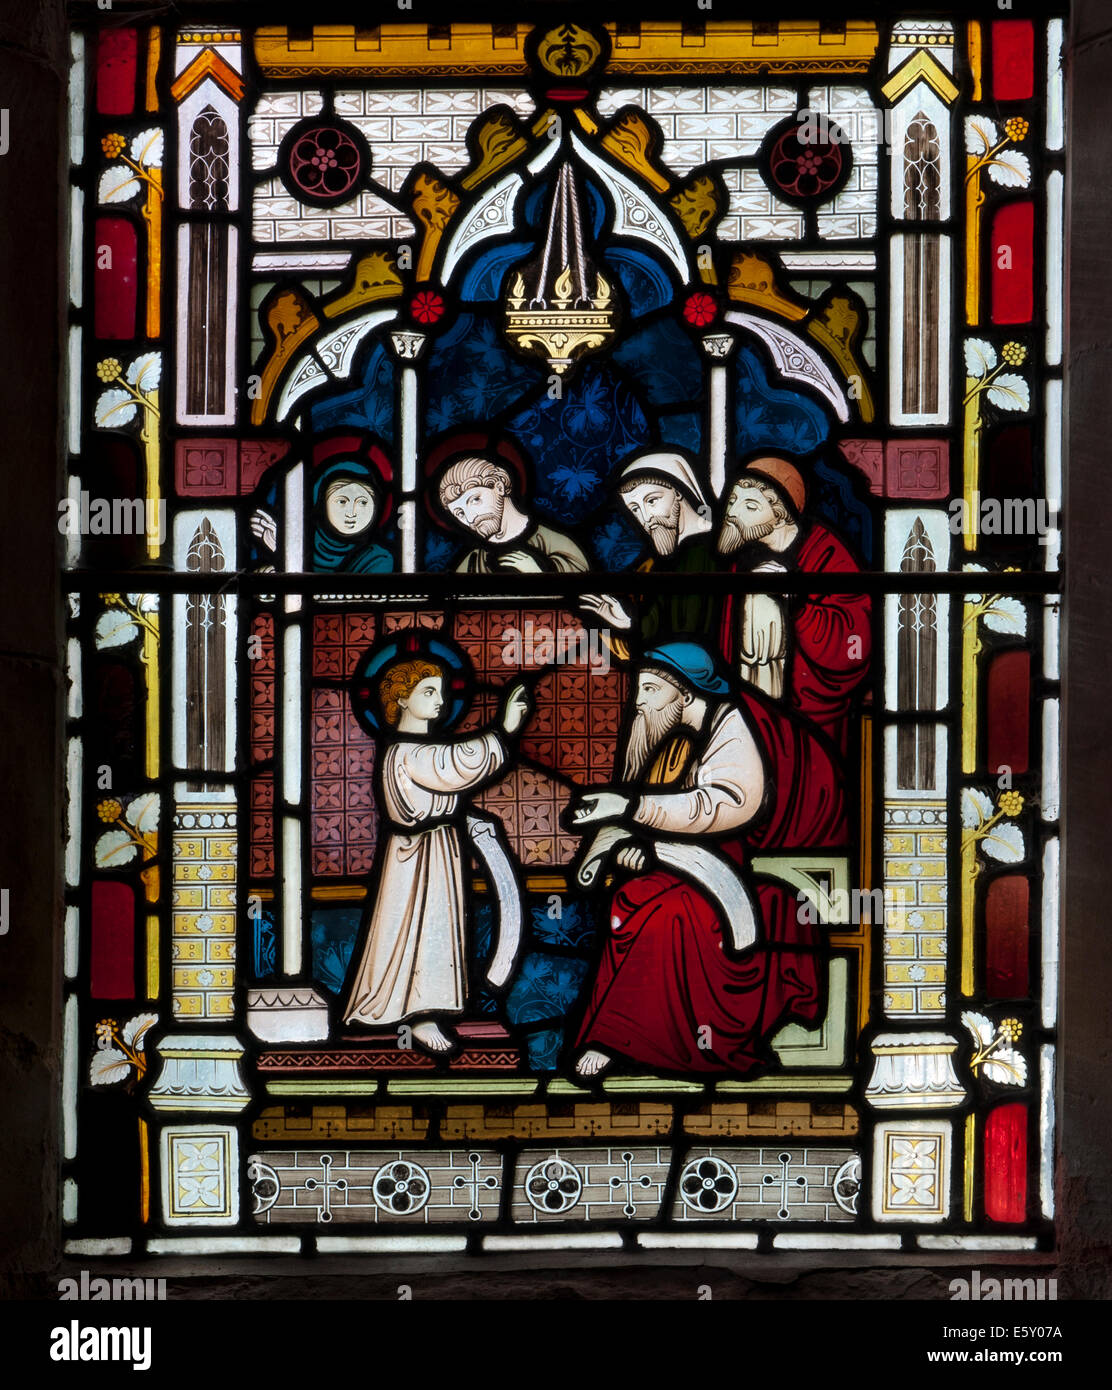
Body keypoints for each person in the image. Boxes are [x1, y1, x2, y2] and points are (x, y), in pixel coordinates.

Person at [568, 642, 836, 1079]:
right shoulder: (677, 743)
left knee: (671, 915)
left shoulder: (733, 730)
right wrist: (635, 846)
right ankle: (624, 1037)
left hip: (721, 868)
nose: (640, 701)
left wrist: (630, 807)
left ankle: (629, 1039)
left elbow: (719, 807)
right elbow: (660, 817)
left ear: (687, 694)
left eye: (652, 689)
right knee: (628, 902)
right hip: (679, 864)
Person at [343, 657, 531, 1052]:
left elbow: (450, 766)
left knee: (433, 930)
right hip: (417, 857)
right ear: (401, 700)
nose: (440, 700)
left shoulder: (416, 751)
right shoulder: (406, 752)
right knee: (419, 929)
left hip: (437, 851)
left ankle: (422, 1012)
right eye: (428, 691)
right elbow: (455, 765)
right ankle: (413, 1014)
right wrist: (503, 731)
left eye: (441, 691)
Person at [717, 455, 871, 756]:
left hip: (808, 718)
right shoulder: (741, 564)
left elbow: (854, 642)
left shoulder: (824, 554)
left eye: (749, 507)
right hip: (745, 712)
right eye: (733, 500)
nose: (733, 513)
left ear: (781, 513)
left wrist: (797, 601)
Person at [581, 449, 716, 643]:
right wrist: (626, 622)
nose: (646, 519)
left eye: (652, 501)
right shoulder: (658, 566)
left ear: (678, 492)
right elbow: (657, 631)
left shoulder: (716, 551)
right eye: (635, 509)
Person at [437, 455, 589, 574]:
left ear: (499, 487)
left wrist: (537, 574)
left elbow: (586, 601)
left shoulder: (557, 546)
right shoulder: (472, 562)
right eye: (460, 513)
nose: (470, 518)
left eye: (475, 500)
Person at [251, 458, 393, 574]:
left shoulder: (378, 559)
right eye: (342, 501)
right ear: (321, 503)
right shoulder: (303, 545)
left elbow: (339, 599)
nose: (352, 512)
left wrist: (285, 553)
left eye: (362, 502)